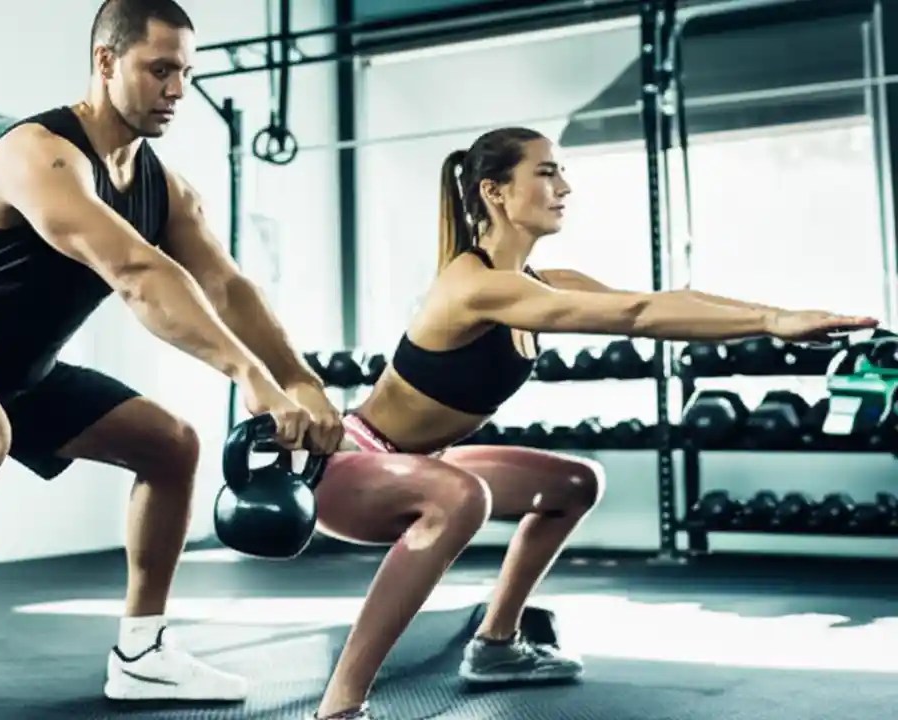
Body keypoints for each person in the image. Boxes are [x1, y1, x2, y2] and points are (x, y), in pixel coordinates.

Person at [0, 1, 344, 718]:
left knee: (172, 446)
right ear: (105, 62)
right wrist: (249, 377)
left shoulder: (164, 187)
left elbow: (227, 284)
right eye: (159, 69)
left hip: (22, 377)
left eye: (186, 74)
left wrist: (299, 377)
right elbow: (137, 272)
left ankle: (142, 655)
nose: (177, 91)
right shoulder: (39, 155)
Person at [300, 127, 879, 720]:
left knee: (574, 483)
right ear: (494, 192)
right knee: (460, 494)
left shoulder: (544, 284)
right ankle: (340, 706)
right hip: (350, 468)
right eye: (546, 172)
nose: (564, 187)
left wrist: (778, 316)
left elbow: (657, 303)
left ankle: (497, 645)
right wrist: (770, 321)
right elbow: (636, 315)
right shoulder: (473, 286)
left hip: (422, 464)